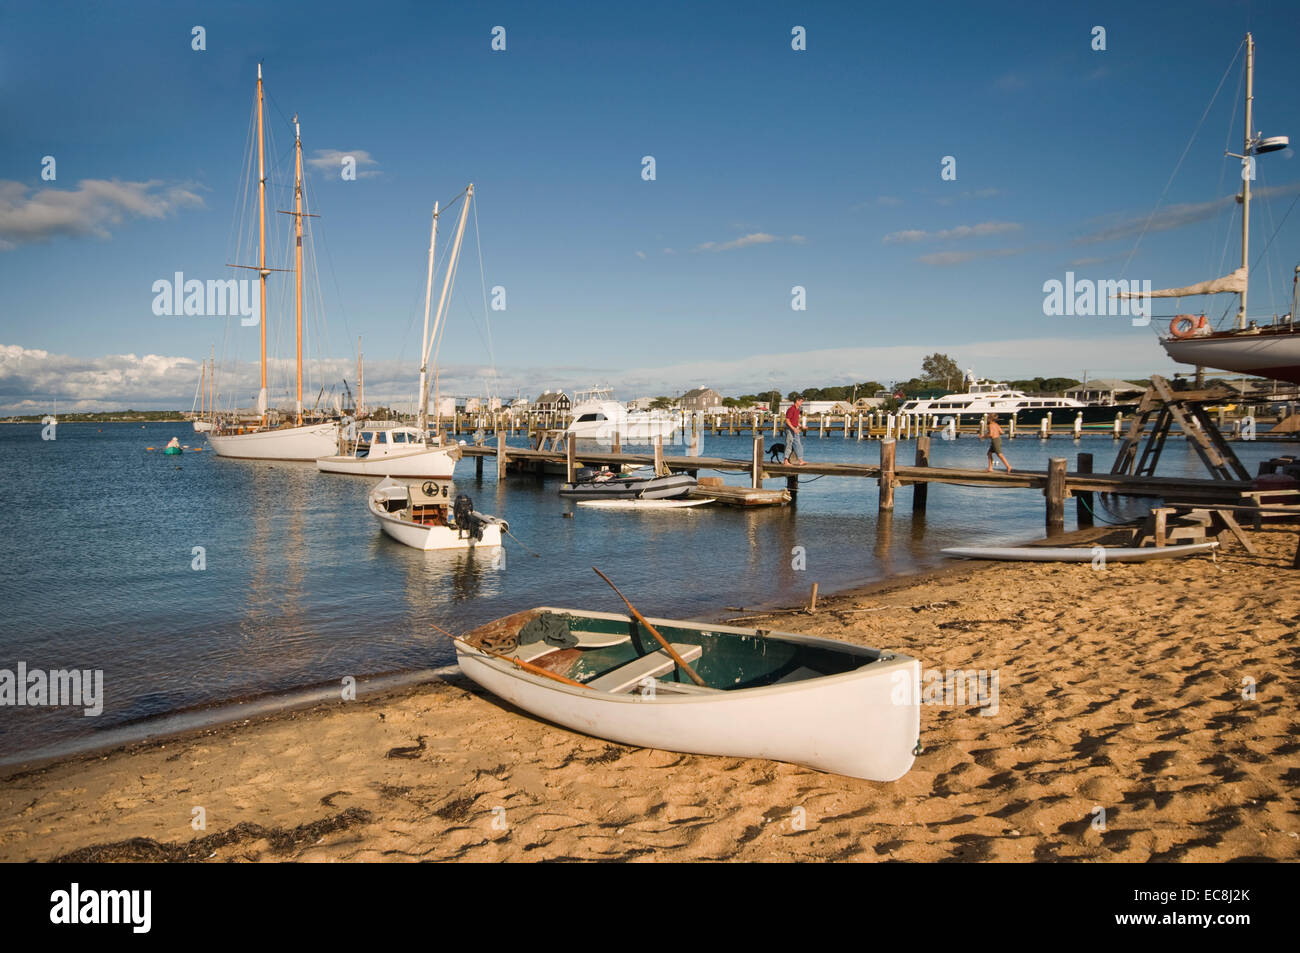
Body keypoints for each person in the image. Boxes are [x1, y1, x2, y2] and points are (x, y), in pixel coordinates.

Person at [784, 396, 806, 465]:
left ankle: (800, 460)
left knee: (798, 444)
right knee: (789, 444)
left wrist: (801, 426)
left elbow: (795, 421)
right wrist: (793, 429)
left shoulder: (798, 410)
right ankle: (785, 461)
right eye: (801, 401)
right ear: (797, 401)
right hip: (790, 429)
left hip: (795, 429)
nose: (802, 403)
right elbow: (787, 420)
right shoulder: (791, 409)